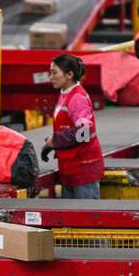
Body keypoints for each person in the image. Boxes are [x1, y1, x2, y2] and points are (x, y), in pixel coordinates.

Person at [41, 53, 104, 199]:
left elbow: (84, 132)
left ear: (69, 74)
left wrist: (55, 141)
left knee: (87, 217)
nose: (51, 77)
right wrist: (50, 146)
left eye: (54, 72)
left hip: (83, 168)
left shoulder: (77, 98)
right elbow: (65, 127)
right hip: (70, 166)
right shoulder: (65, 94)